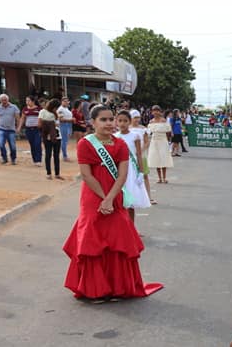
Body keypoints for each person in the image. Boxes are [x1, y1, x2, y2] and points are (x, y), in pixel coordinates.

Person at [63, 105, 163, 302]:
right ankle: (93, 289)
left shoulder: (120, 145)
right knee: (92, 240)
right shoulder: (85, 144)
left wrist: (109, 199)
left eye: (111, 119)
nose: (109, 123)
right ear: (93, 122)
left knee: (118, 238)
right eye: (103, 119)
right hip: (93, 197)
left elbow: (122, 175)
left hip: (115, 196)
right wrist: (103, 198)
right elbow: (86, 175)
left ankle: (118, 287)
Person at [114, 109, 152, 223]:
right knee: (119, 200)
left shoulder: (135, 136)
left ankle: (132, 227)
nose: (122, 123)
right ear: (116, 122)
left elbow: (139, 154)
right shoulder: (115, 137)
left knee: (130, 201)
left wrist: (141, 172)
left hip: (132, 168)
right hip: (119, 168)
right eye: (120, 121)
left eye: (125, 121)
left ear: (129, 122)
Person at [129, 110, 154, 205]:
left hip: (141, 156)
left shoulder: (143, 129)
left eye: (138, 118)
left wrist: (140, 151)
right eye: (135, 118)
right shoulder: (127, 129)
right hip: (130, 156)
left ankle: (149, 197)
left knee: (144, 175)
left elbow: (146, 142)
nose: (137, 120)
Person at [146, 105, 173, 184]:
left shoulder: (163, 120)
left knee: (163, 158)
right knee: (156, 159)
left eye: (157, 111)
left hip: (163, 141)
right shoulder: (151, 121)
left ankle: (164, 178)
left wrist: (168, 140)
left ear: (160, 112)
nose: (155, 112)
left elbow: (168, 131)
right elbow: (148, 132)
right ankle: (159, 178)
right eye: (154, 111)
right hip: (154, 141)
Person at [39, 99, 61, 179]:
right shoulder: (43, 112)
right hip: (48, 137)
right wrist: (49, 125)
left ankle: (57, 173)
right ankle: (48, 173)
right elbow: (39, 124)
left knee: (56, 155)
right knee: (48, 154)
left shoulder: (56, 113)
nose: (56, 109)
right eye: (56, 107)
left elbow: (58, 124)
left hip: (57, 136)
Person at [18, 96, 43, 166]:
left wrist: (41, 125)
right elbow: (22, 118)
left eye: (28, 100)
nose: (27, 102)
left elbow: (42, 118)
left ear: (33, 101)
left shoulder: (39, 109)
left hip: (37, 129)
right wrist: (19, 127)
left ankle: (38, 160)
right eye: (26, 101)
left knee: (37, 144)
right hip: (28, 129)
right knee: (32, 145)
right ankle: (35, 159)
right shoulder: (25, 109)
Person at [0, 94, 20, 164]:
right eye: (2, 100)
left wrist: (18, 127)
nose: (4, 101)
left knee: (13, 146)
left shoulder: (14, 107)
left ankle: (13, 159)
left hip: (11, 129)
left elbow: (17, 118)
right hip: (1, 129)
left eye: (5, 100)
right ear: (0, 101)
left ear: (8, 100)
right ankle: (4, 158)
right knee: (1, 143)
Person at [57, 97, 74, 161]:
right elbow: (61, 119)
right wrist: (71, 120)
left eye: (67, 101)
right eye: (64, 101)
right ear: (62, 102)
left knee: (66, 140)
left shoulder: (66, 108)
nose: (66, 102)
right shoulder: (60, 109)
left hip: (68, 124)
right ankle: (64, 156)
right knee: (64, 140)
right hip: (64, 125)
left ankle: (65, 154)